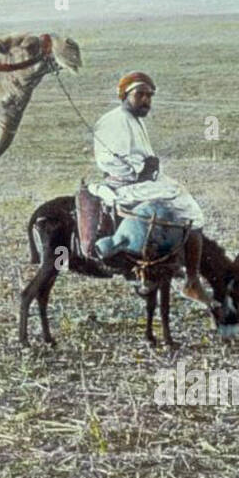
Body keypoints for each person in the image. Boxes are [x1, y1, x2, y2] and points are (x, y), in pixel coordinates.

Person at [89, 71, 209, 304]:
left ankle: (174, 262)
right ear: (125, 95)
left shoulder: (132, 119)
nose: (145, 100)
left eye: (149, 96)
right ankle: (191, 281)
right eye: (140, 95)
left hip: (140, 181)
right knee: (192, 212)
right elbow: (114, 160)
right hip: (126, 186)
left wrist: (148, 167)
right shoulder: (116, 121)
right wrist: (143, 169)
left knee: (178, 195)